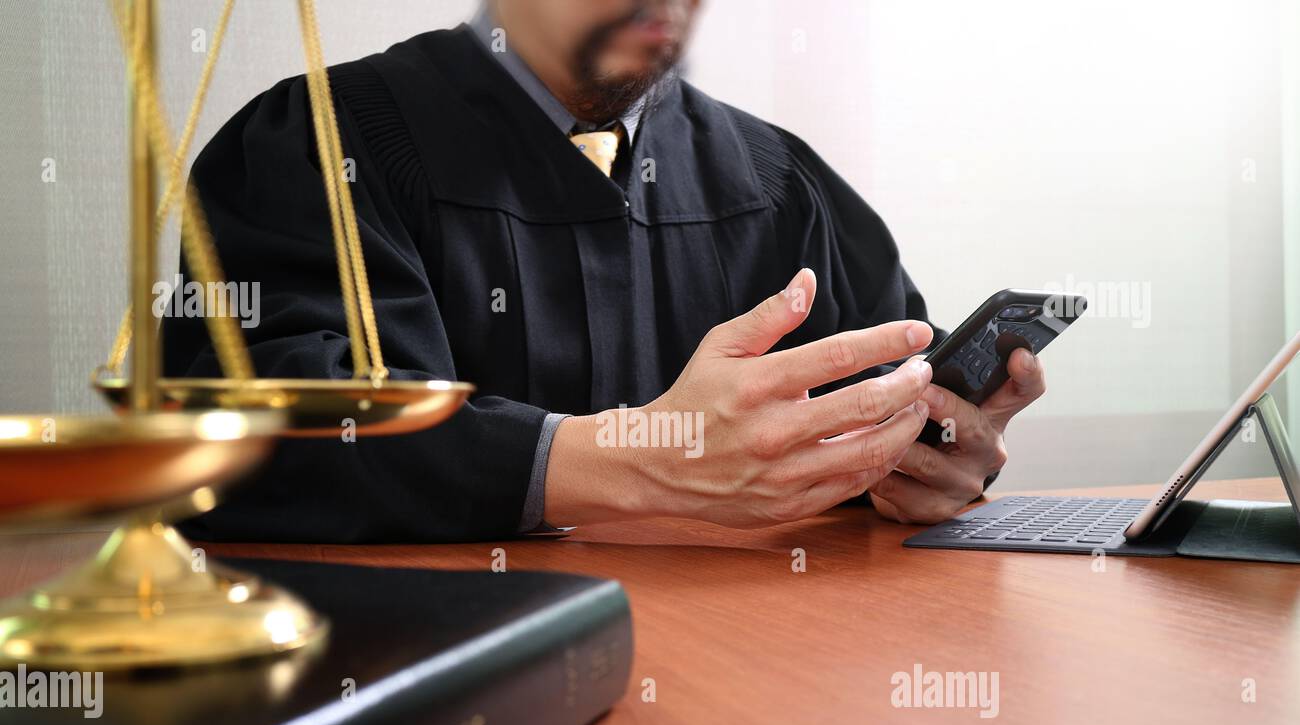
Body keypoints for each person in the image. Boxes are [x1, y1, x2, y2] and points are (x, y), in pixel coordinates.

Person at [165, 0, 1044, 543]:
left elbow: (887, 405)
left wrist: (932, 465)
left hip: (753, 689)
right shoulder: (324, 146)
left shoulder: (776, 183)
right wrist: (632, 459)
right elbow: (256, 430)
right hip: (443, 686)